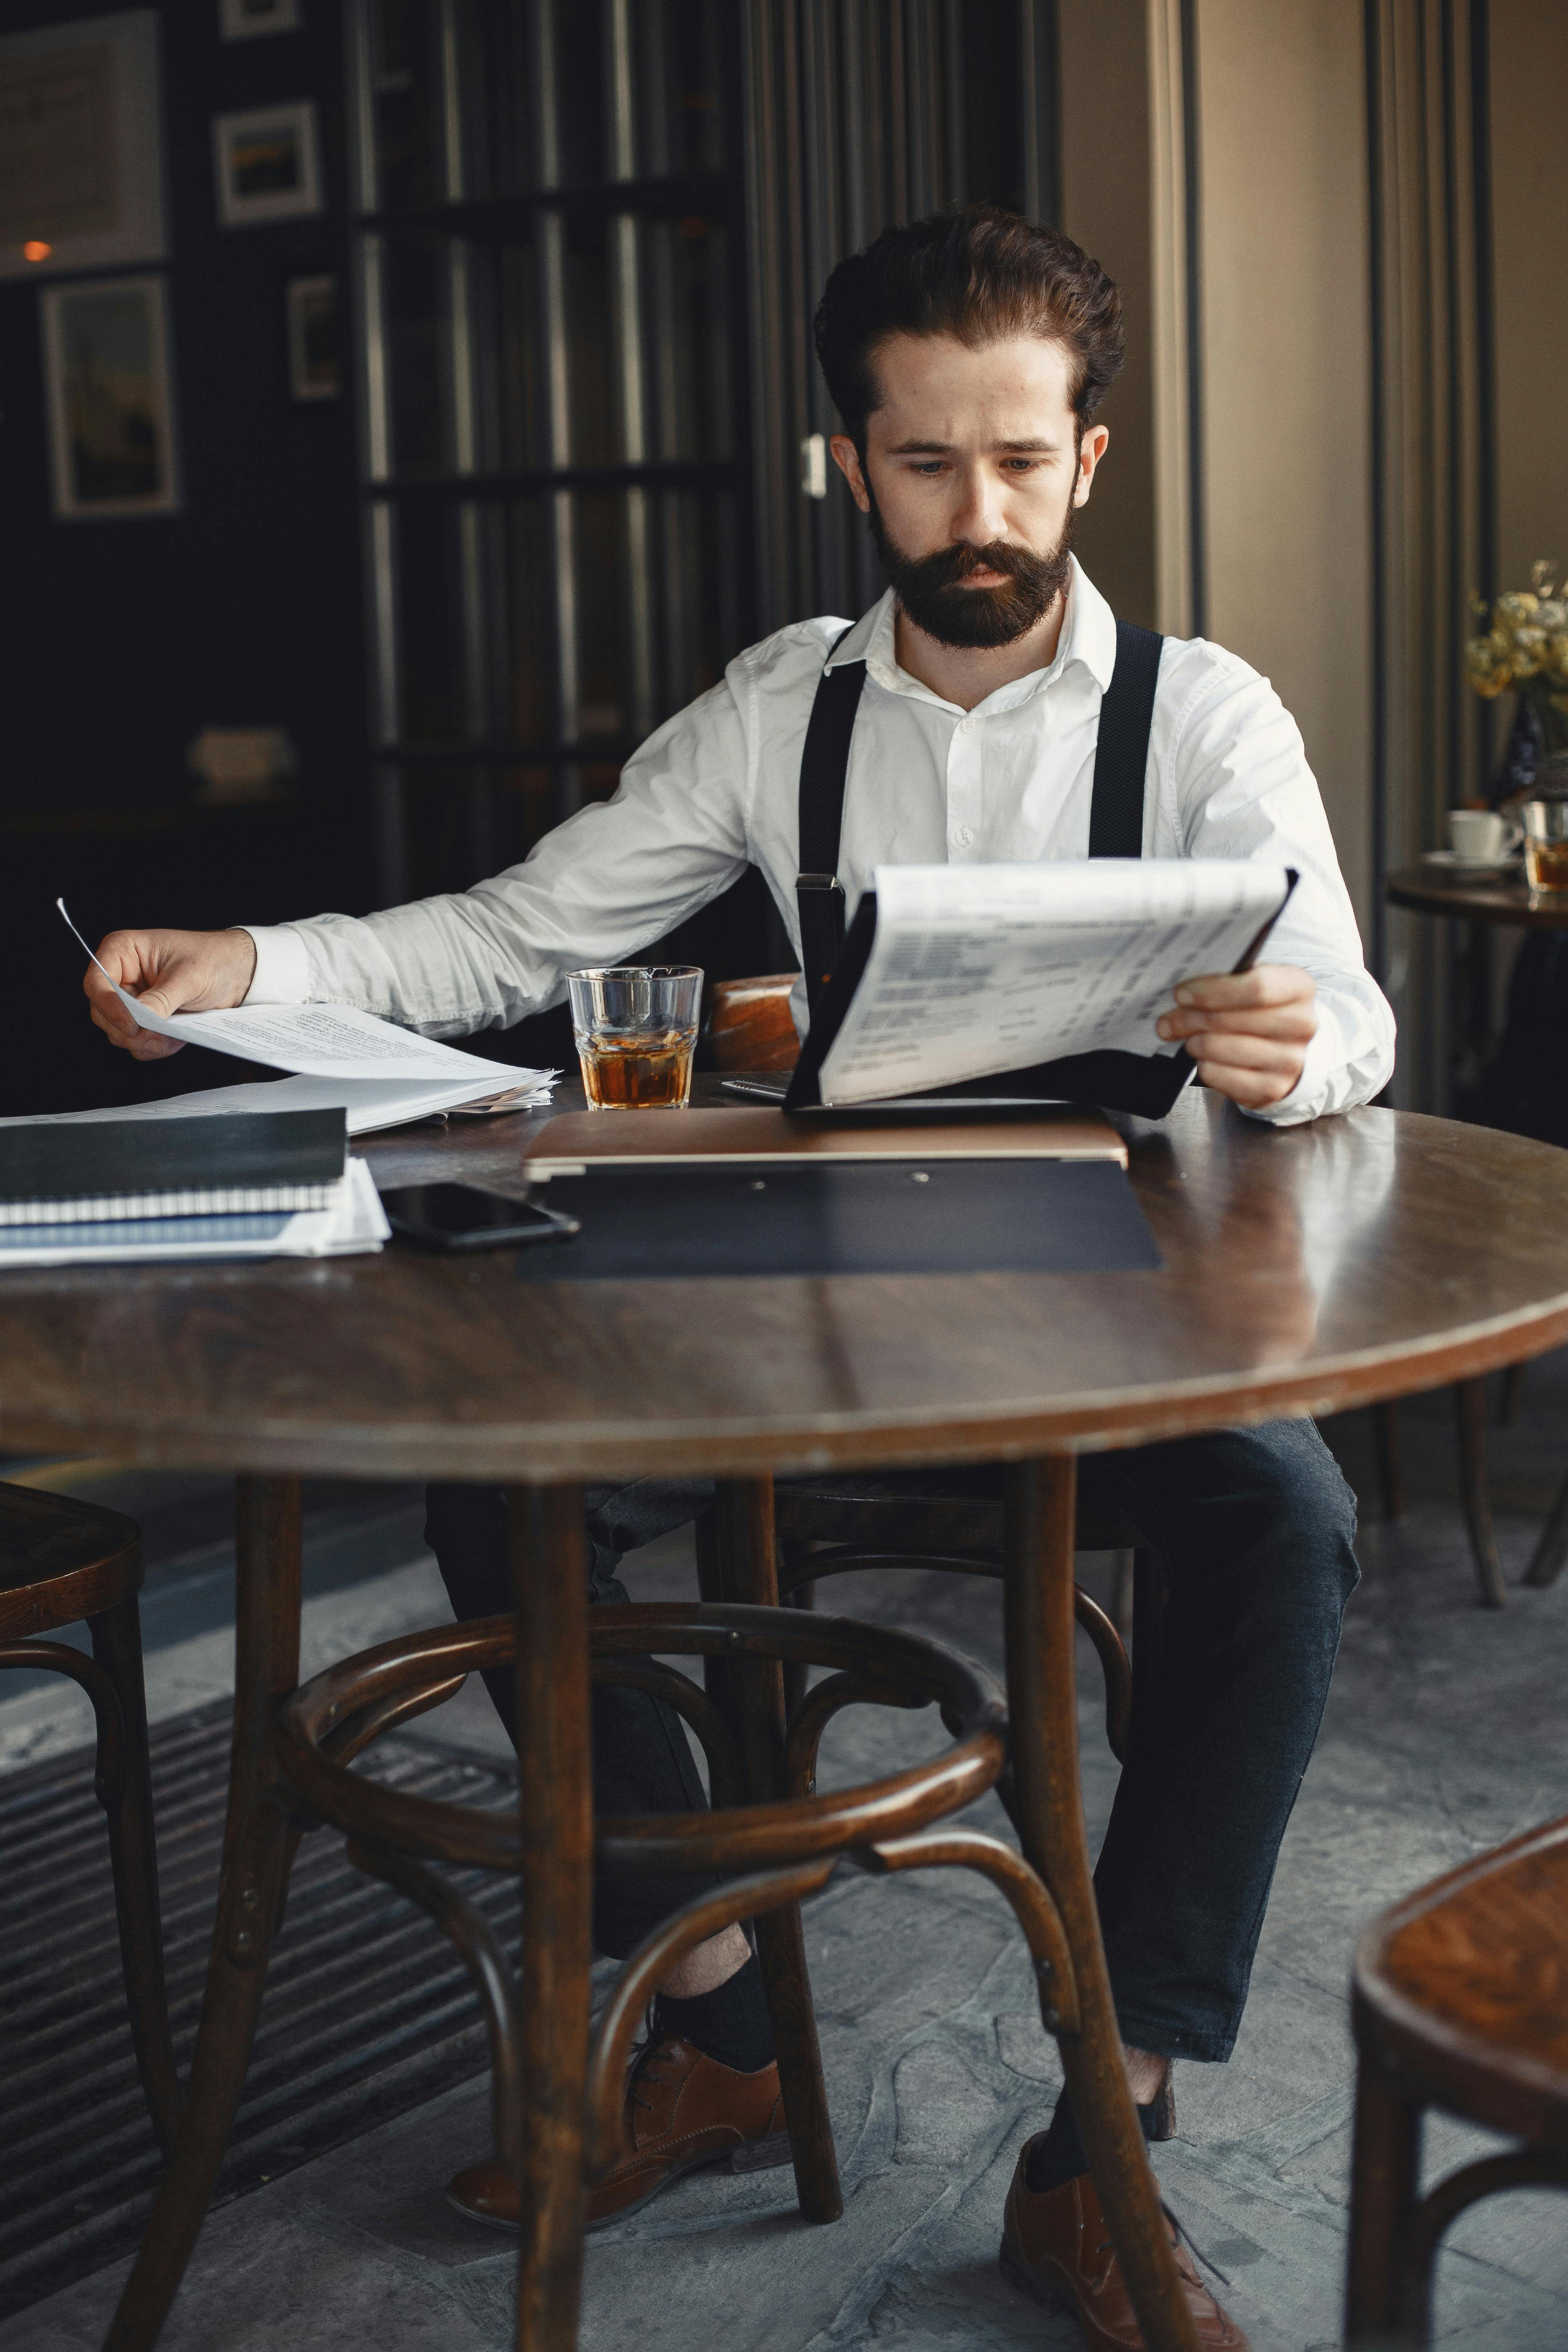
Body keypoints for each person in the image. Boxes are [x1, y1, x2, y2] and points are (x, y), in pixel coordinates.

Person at [85, 207, 1393, 2352]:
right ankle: (708, 2013)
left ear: (1091, 458)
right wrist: (257, 966)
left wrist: (1303, 1037)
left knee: (1287, 1513)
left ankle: (1109, 2124)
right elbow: (513, 935)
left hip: (1107, 1300)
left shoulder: (1204, 715)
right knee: (509, 1478)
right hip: (830, 1291)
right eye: (923, 465)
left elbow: (1349, 1001)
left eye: (1020, 462)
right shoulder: (780, 709)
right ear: (850, 462)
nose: (977, 515)